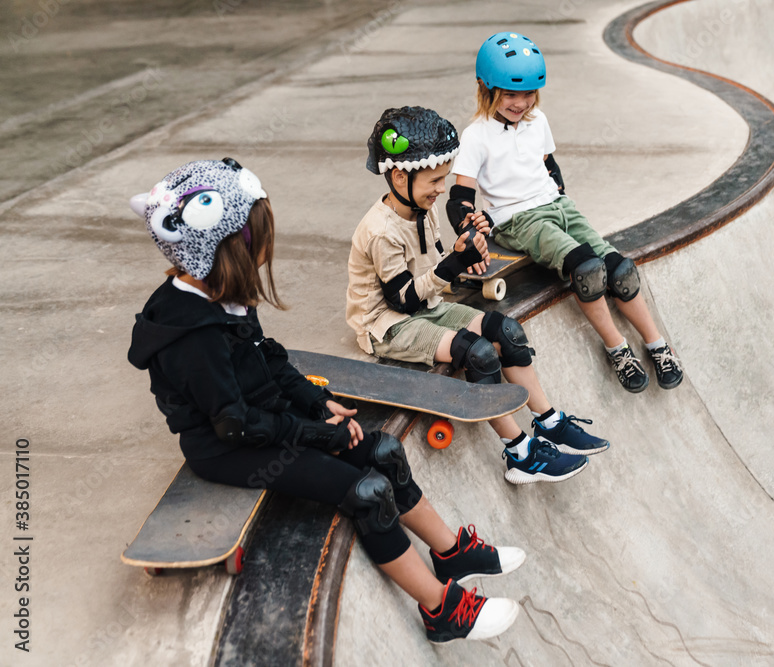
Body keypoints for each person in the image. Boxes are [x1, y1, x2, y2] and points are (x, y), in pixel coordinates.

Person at [126, 158, 525, 644]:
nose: (265, 252)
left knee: (384, 452)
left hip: (267, 417)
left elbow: (269, 357)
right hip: (229, 449)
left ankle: (450, 553)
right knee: (366, 493)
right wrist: (316, 434)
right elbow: (234, 424)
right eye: (258, 242)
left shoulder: (219, 292)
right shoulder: (191, 336)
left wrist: (316, 402)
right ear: (227, 249)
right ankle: (442, 610)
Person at [347, 106, 610, 486]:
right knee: (479, 353)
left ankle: (549, 422)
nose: (442, 189)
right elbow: (403, 300)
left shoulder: (424, 209)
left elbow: (436, 267)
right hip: (387, 326)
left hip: (429, 308)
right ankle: (521, 453)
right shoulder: (380, 231)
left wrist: (468, 248)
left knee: (506, 331)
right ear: (400, 176)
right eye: (435, 181)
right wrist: (453, 265)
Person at [448, 32, 683, 394]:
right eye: (511, 94)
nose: (521, 103)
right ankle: (617, 349)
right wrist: (472, 229)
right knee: (587, 271)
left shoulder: (537, 120)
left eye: (528, 94)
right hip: (519, 221)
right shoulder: (477, 135)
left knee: (620, 269)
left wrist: (558, 190)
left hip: (559, 208)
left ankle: (657, 344)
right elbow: (459, 197)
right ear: (486, 88)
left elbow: (548, 163)